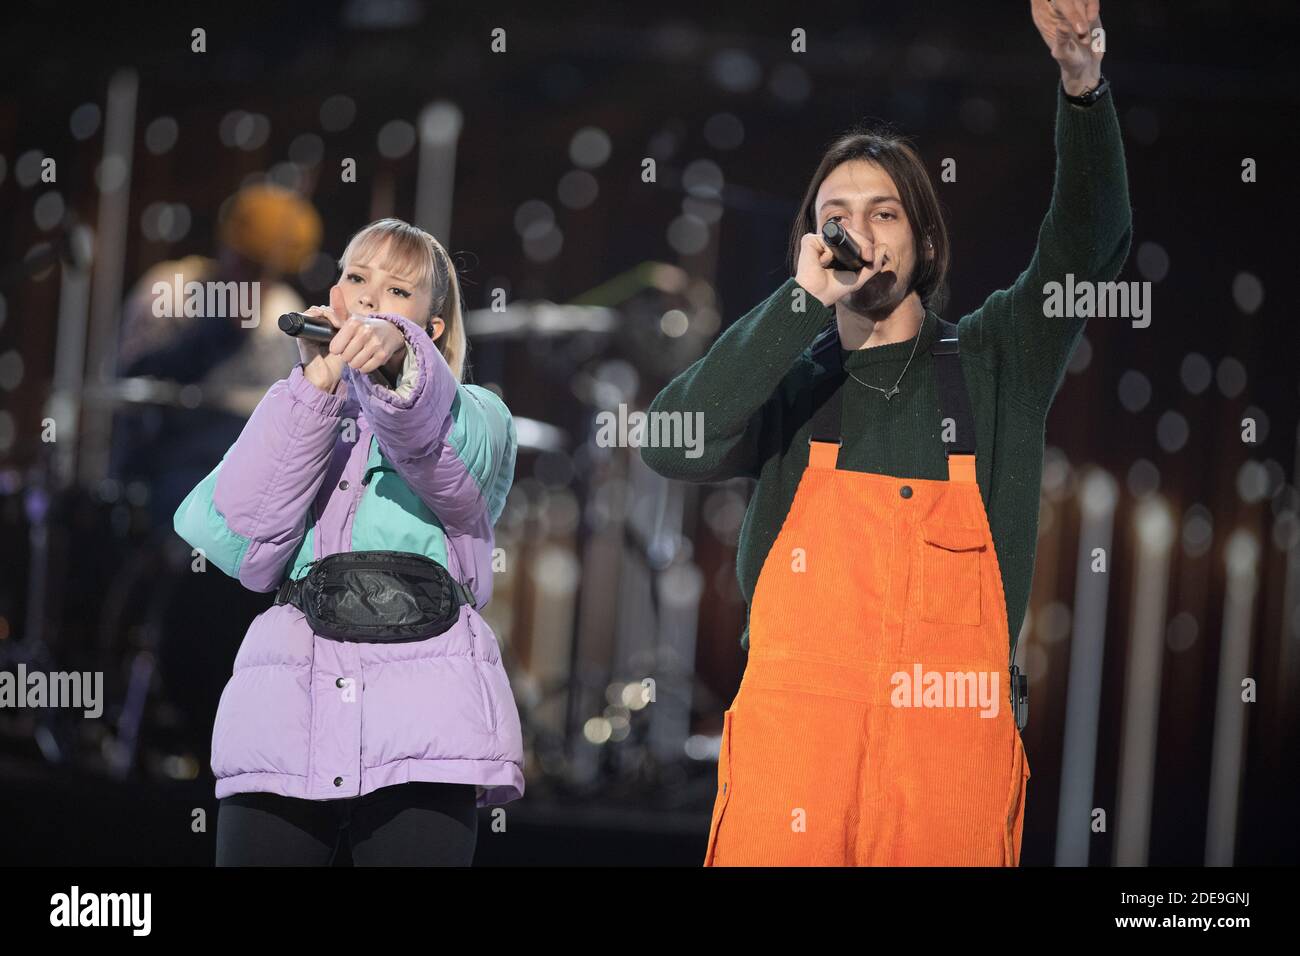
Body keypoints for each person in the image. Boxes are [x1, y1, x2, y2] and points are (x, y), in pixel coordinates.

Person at [642, 0, 1128, 865]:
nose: (855, 232)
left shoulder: (996, 360)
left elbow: (1087, 249)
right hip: (796, 760)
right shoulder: (794, 382)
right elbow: (671, 440)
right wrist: (797, 310)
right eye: (836, 214)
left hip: (948, 761)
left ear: (924, 242)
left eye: (884, 213)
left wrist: (1082, 85)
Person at [174, 218, 522, 866]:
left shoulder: (479, 414)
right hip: (286, 713)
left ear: (433, 326)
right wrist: (315, 388)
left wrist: (399, 356)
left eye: (397, 291)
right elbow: (243, 544)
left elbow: (449, 454)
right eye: (356, 278)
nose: (368, 299)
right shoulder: (302, 402)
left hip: (424, 725)